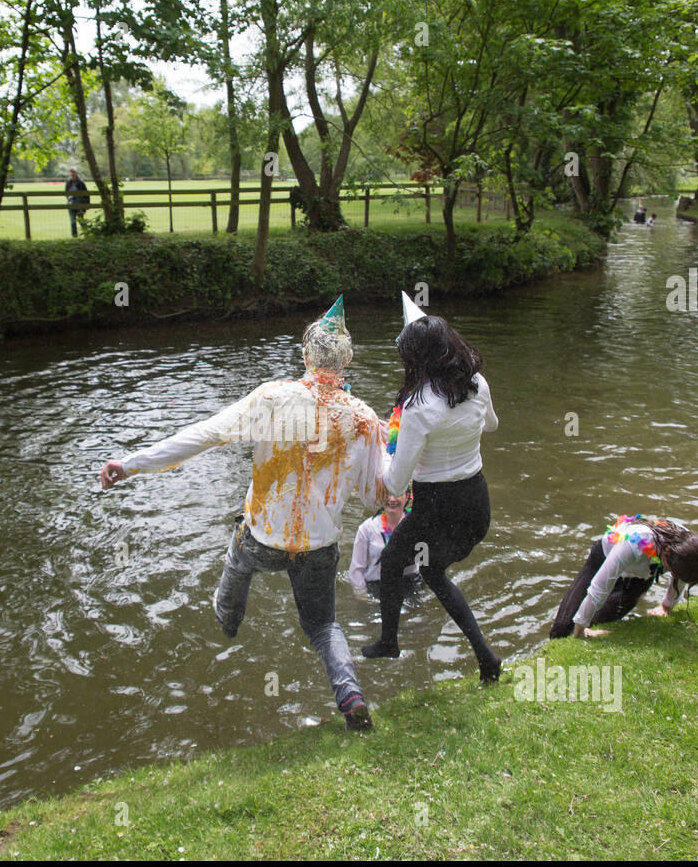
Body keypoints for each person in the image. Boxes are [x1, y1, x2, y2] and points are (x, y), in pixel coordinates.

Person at [99, 297, 386, 731]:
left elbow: (207, 435)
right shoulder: (364, 419)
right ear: (345, 362)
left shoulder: (273, 399)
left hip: (263, 538)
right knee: (324, 626)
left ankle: (228, 621)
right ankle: (350, 698)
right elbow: (376, 495)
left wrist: (131, 463)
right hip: (319, 545)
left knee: (237, 560)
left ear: (306, 355)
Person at [362, 293, 502, 685]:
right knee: (433, 572)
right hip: (476, 502)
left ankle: (389, 642)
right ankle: (486, 658)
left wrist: (381, 446)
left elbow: (394, 482)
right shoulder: (476, 382)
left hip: (436, 507)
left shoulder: (420, 406)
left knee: (394, 563)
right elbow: (491, 425)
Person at [549, 515, 698, 639]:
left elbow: (682, 575)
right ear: (667, 554)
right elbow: (600, 586)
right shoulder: (636, 541)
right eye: (670, 570)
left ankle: (631, 598)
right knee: (562, 630)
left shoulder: (690, 551)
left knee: (601, 620)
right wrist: (580, 632)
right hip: (604, 559)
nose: (671, 573)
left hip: (640, 578)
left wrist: (666, 606)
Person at [349, 492, 422, 600]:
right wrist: (362, 595)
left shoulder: (416, 525)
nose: (392, 499)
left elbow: (425, 561)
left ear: (407, 497)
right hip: (376, 586)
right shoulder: (367, 528)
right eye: (387, 494)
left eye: (397, 494)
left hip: (410, 583)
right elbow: (356, 569)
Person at [64, 168, 90, 236]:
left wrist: (86, 205)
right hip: (71, 204)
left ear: (76, 174)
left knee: (81, 220)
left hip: (79, 204)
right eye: (71, 174)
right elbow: (66, 192)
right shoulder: (68, 182)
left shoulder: (81, 183)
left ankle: (86, 234)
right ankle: (74, 236)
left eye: (74, 174)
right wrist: (68, 197)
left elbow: (86, 194)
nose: (72, 175)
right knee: (72, 221)